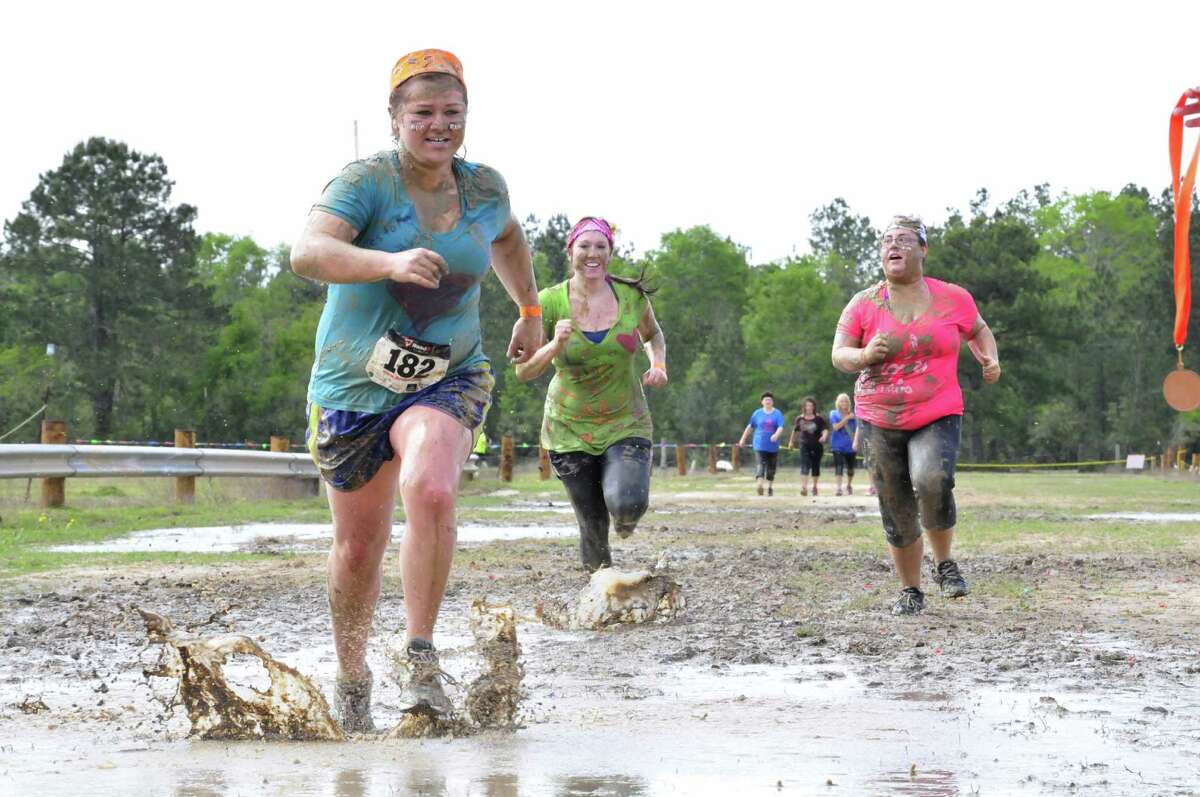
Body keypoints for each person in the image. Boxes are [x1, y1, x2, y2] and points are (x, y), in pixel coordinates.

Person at [290, 49, 541, 729]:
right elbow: (307, 250)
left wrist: (528, 309)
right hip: (352, 384)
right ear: (396, 117)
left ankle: (421, 658)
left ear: (466, 118)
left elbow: (510, 240)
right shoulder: (366, 182)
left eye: (451, 113)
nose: (438, 125)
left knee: (431, 484)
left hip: (450, 372)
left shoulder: (485, 188)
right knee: (358, 546)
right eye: (423, 113)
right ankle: (351, 677)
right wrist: (388, 260)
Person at [831, 215, 1001, 616]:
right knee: (895, 504)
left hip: (936, 409)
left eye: (905, 240)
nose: (894, 246)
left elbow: (979, 330)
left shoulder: (953, 298)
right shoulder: (863, 303)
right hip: (878, 415)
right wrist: (864, 355)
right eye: (887, 240)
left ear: (923, 249)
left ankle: (944, 564)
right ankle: (911, 590)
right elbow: (838, 355)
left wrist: (989, 358)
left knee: (931, 479)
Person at [515, 217, 667, 572]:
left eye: (601, 247)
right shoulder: (547, 302)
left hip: (625, 419)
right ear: (570, 252)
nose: (592, 254)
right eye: (584, 246)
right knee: (593, 525)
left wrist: (658, 364)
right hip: (568, 427)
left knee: (627, 503)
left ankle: (626, 521)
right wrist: (555, 344)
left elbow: (653, 334)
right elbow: (523, 371)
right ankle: (599, 599)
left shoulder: (631, 297)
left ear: (610, 253)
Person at [738, 392, 785, 496]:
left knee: (771, 469)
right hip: (759, 444)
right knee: (760, 465)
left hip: (773, 446)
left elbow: (781, 426)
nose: (768, 401)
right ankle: (759, 485)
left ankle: (770, 487)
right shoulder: (757, 413)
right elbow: (750, 427)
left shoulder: (777, 413)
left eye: (770, 400)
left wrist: (776, 435)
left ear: (772, 402)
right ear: (762, 402)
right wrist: (743, 439)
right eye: (766, 400)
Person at [787, 397, 828, 496]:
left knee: (815, 467)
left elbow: (825, 429)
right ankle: (804, 487)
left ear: (814, 407)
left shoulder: (819, 418)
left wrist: (824, 436)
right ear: (804, 407)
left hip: (817, 446)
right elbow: (795, 431)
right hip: (804, 445)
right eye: (807, 405)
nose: (809, 407)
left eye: (811, 405)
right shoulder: (799, 418)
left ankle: (814, 486)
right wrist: (791, 442)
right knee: (804, 466)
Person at [828, 393, 857, 496]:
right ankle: (839, 488)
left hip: (850, 446)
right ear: (838, 403)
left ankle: (849, 485)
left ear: (848, 403)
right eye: (841, 401)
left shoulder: (854, 416)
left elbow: (856, 430)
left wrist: (856, 442)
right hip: (837, 445)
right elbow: (836, 427)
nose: (843, 403)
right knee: (839, 466)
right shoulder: (833, 414)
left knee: (850, 469)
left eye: (845, 401)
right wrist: (847, 418)